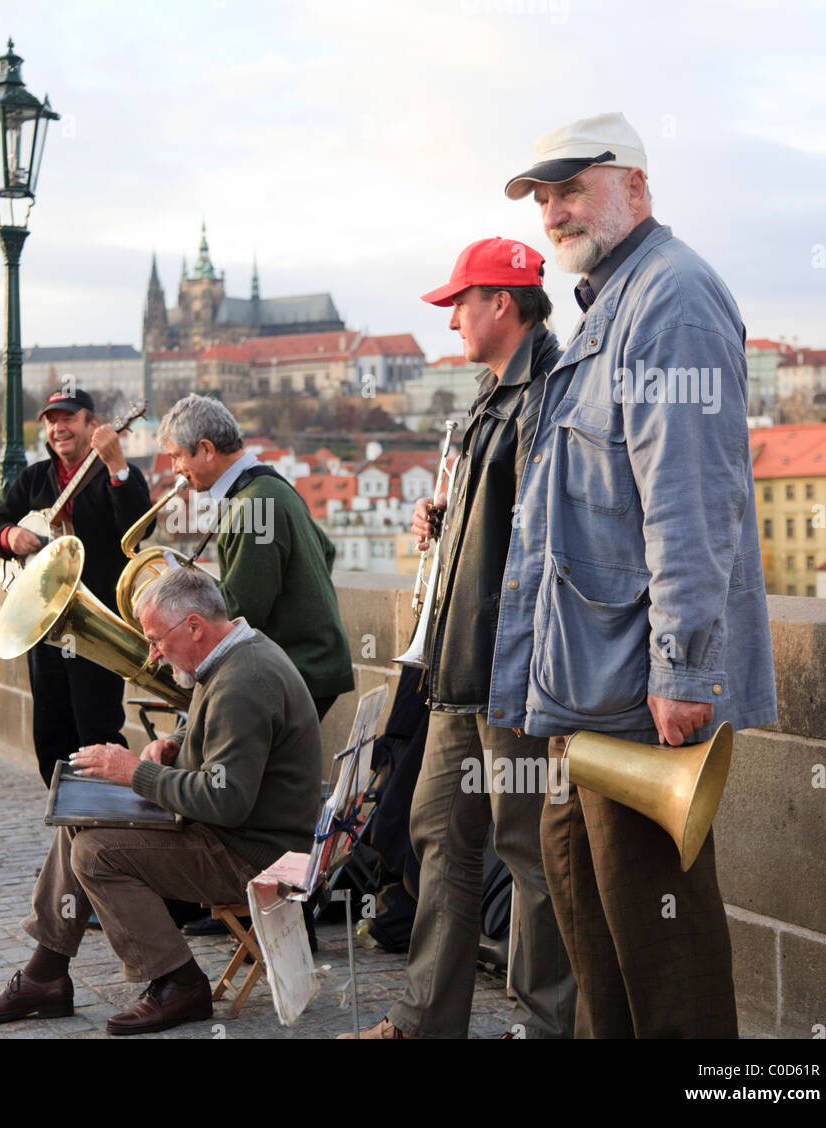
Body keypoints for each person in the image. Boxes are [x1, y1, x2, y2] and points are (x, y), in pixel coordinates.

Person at [490, 112, 777, 1037]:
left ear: (636, 188)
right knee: (593, 921)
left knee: (664, 951)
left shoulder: (672, 299)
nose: (554, 211)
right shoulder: (610, 304)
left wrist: (684, 670)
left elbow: (691, 497)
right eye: (544, 196)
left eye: (572, 188)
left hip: (636, 687)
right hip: (587, 687)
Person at [348, 238, 576, 1039]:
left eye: (460, 304)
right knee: (437, 837)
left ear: (502, 303)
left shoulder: (549, 391)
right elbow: (498, 522)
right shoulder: (490, 393)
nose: (451, 321)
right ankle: (423, 1022)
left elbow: (555, 538)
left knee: (525, 850)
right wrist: (445, 525)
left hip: (510, 674)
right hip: (454, 668)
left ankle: (548, 1025)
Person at [0, 567, 322, 1034]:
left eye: (156, 640)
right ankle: (45, 974)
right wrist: (173, 746)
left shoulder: (242, 683)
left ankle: (178, 982)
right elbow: (211, 740)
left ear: (194, 625)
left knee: (97, 853)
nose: (151, 655)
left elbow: (226, 799)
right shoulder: (232, 657)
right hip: (241, 836)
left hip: (254, 858)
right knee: (79, 817)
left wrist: (137, 772)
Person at [0, 388, 153, 786]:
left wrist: (118, 470)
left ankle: (105, 824)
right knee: (50, 732)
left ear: (93, 425)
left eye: (69, 418)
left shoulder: (120, 473)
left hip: (96, 624)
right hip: (47, 626)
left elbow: (139, 527)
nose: (59, 427)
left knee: (98, 726)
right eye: (52, 420)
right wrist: (11, 538)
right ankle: (68, 817)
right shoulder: (34, 478)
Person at [156, 394, 353, 720]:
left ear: (206, 449)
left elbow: (241, 611)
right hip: (311, 665)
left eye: (177, 457)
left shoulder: (253, 505)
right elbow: (326, 551)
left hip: (298, 668)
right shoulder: (267, 485)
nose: (176, 470)